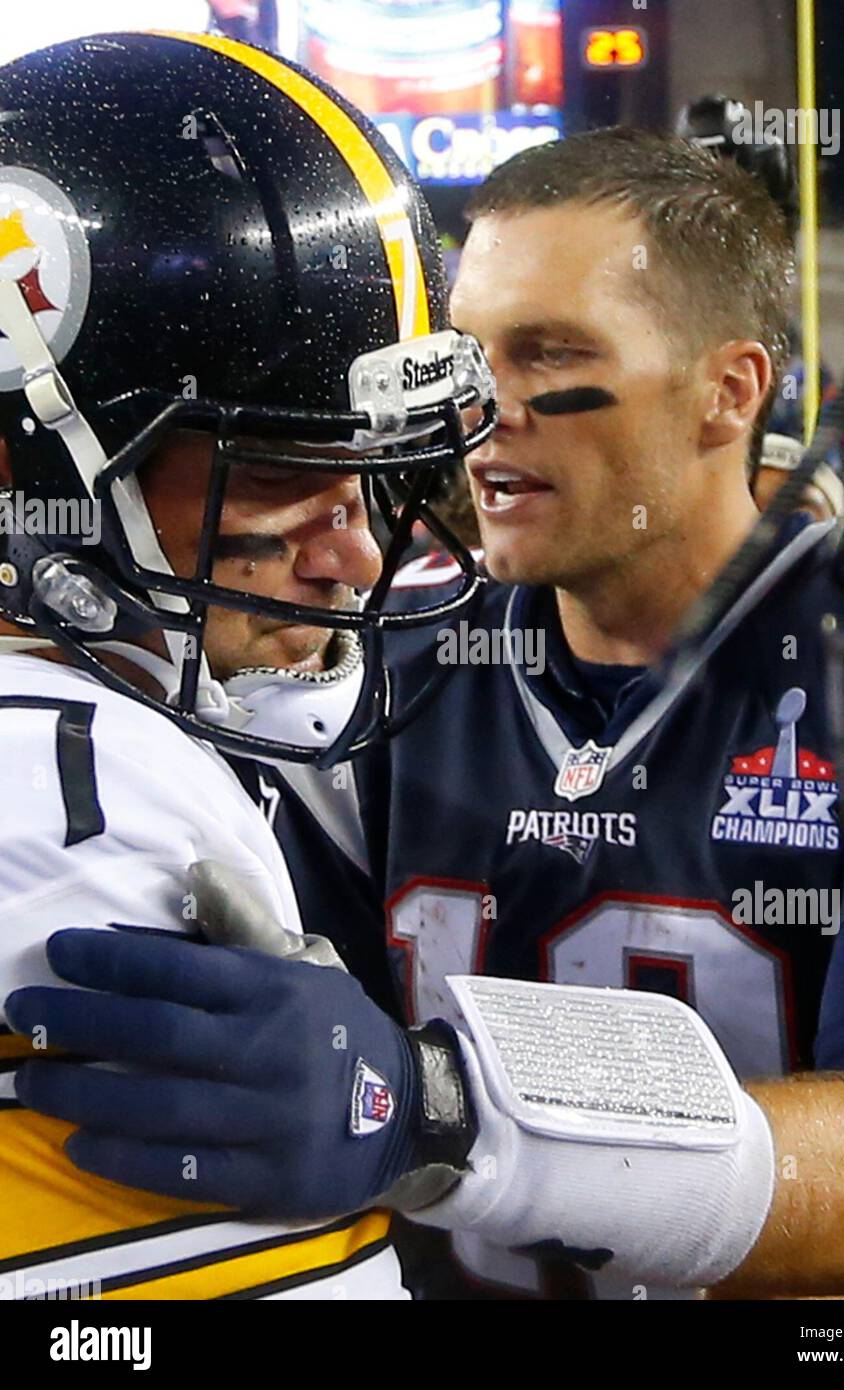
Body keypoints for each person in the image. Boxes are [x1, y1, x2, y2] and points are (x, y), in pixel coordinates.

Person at [11, 128, 844, 1300]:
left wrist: (442, 1110)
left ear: (728, 391)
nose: (487, 410)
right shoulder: (378, 646)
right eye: (467, 359)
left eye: (549, 354)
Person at [0, 29, 491, 1298]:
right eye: (273, 475)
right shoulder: (89, 784)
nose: (350, 558)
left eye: (369, 482)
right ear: (21, 471)